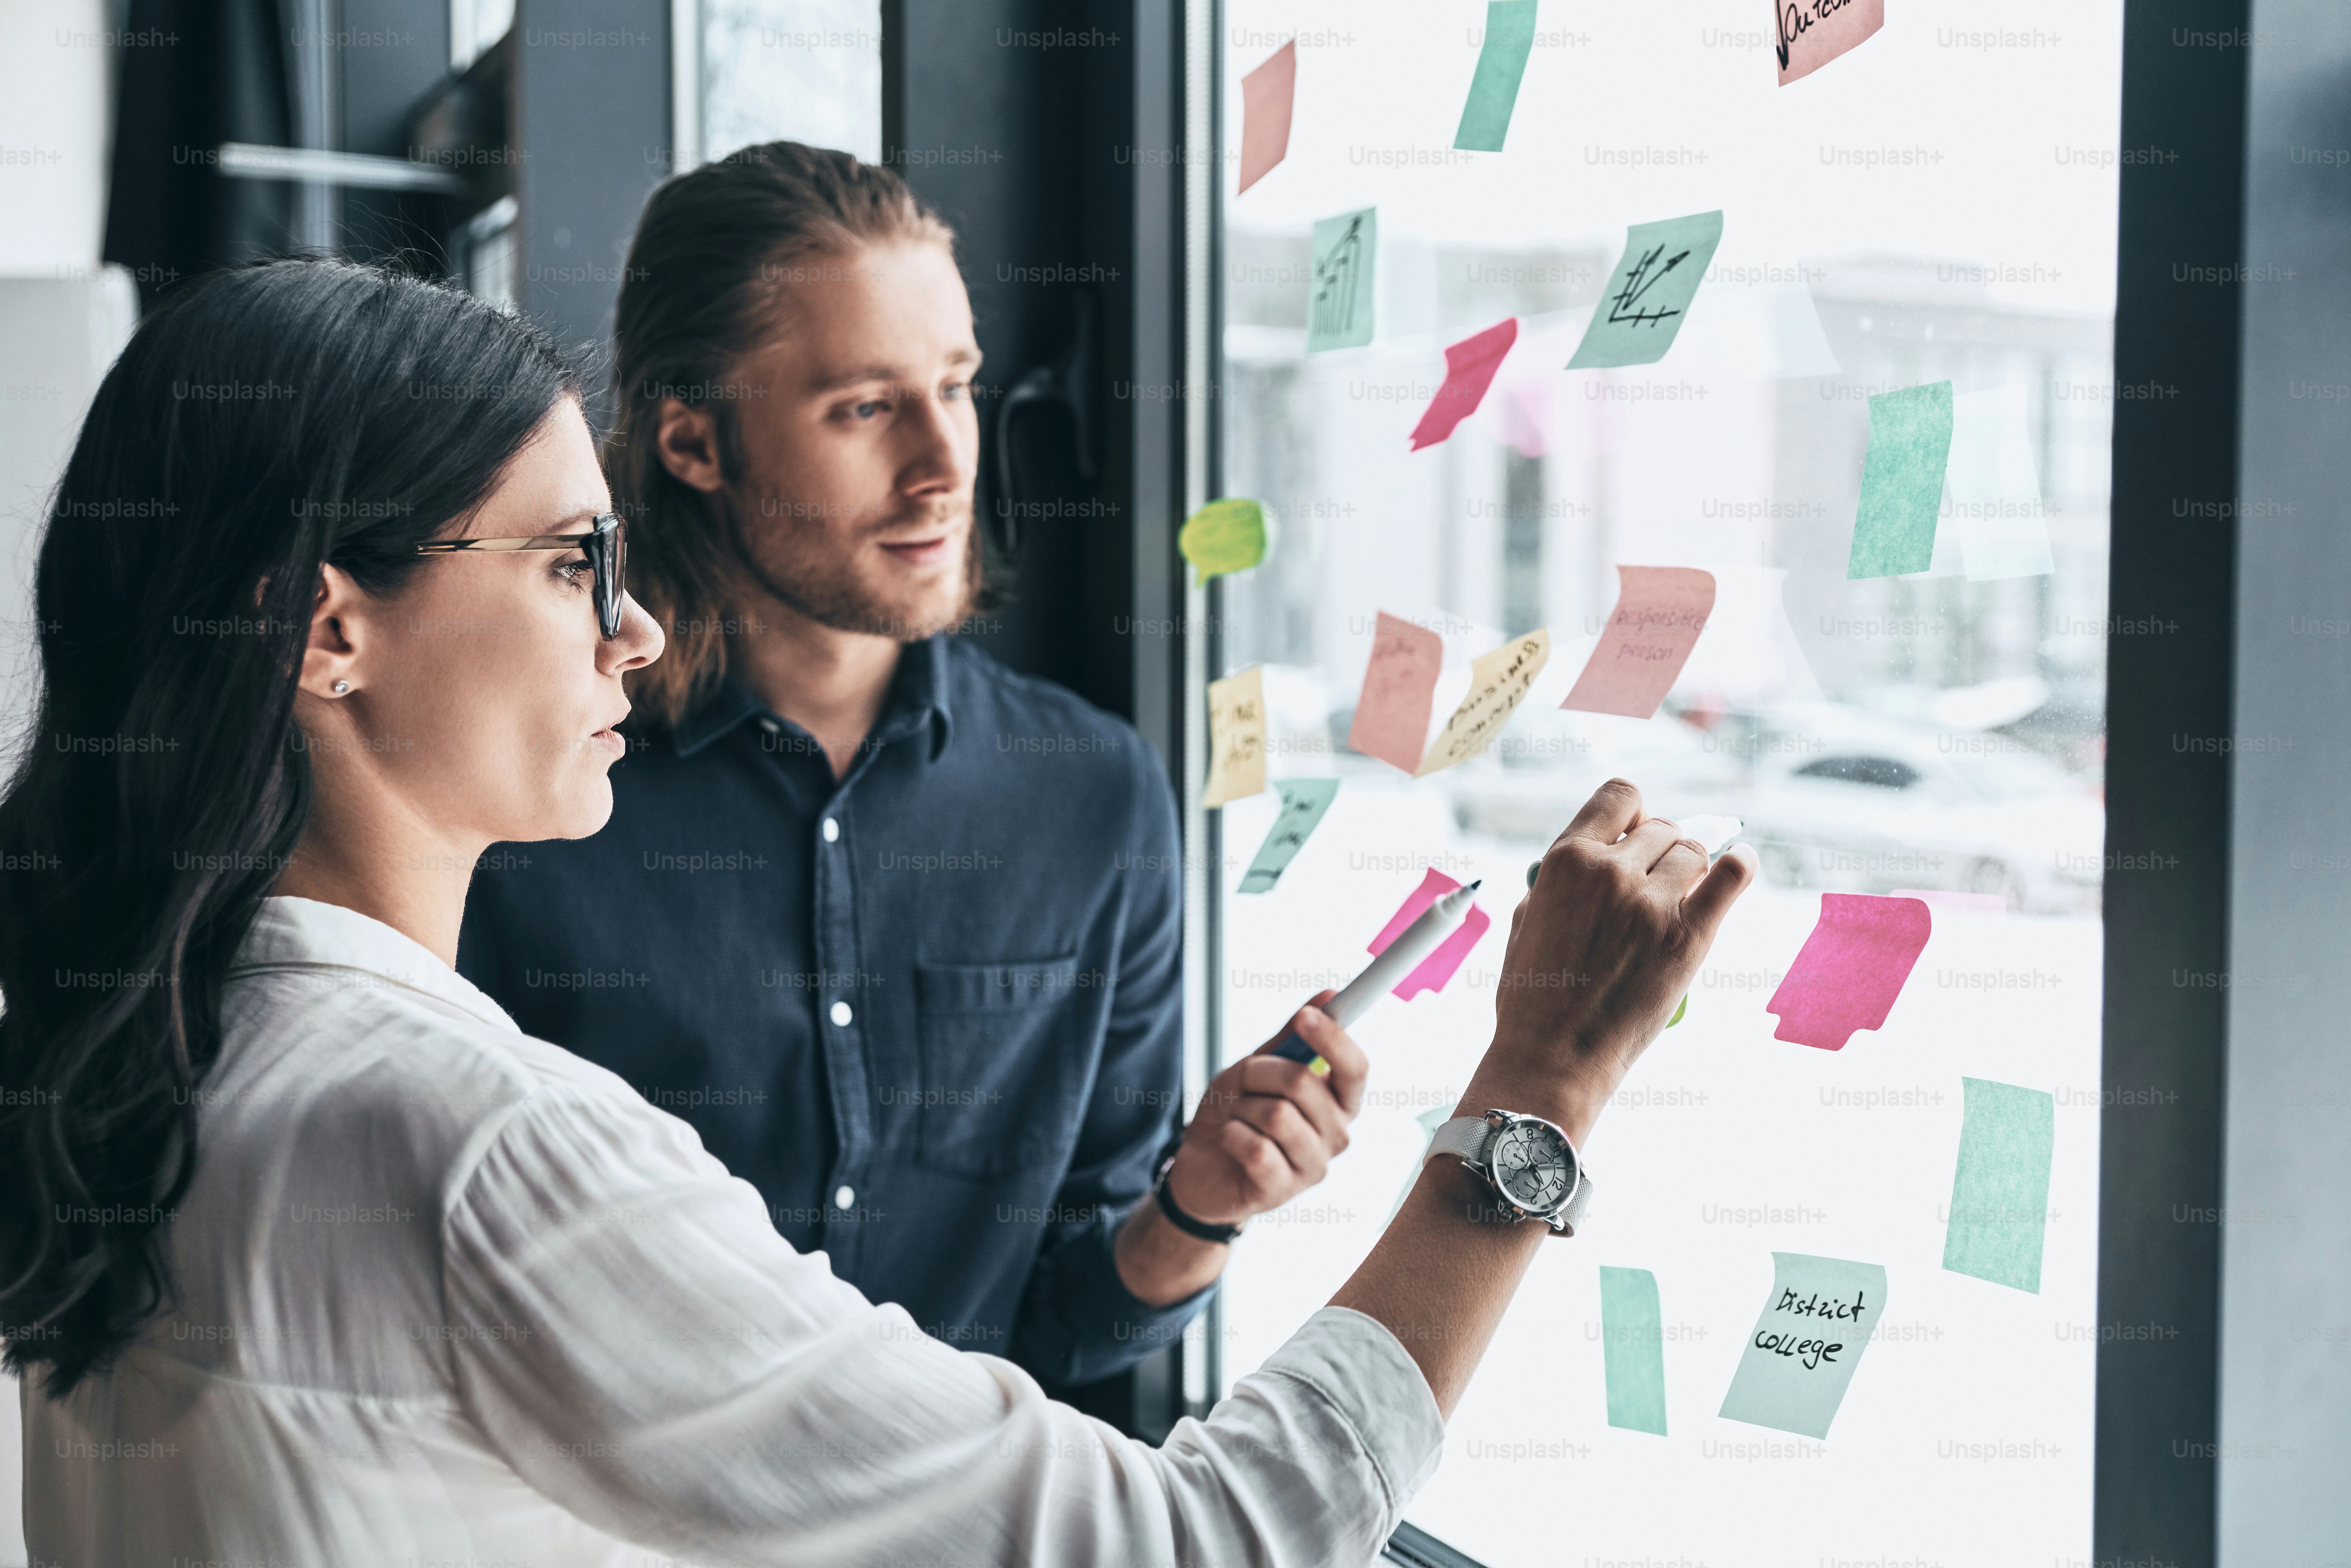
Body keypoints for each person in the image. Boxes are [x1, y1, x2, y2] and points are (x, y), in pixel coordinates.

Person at [0, 258, 1755, 1566]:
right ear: (328, 633)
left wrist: (1187, 1218)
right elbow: (1194, 1546)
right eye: (565, 564)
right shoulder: (474, 1143)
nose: (630, 629)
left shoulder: (167, 1041)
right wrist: (1535, 1093)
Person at [452, 143, 1230, 1389]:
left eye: (958, 386)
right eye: (865, 407)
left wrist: (1203, 1205)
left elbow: (1070, 1328)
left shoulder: (1095, 795)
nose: (944, 465)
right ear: (694, 442)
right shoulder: (530, 795)